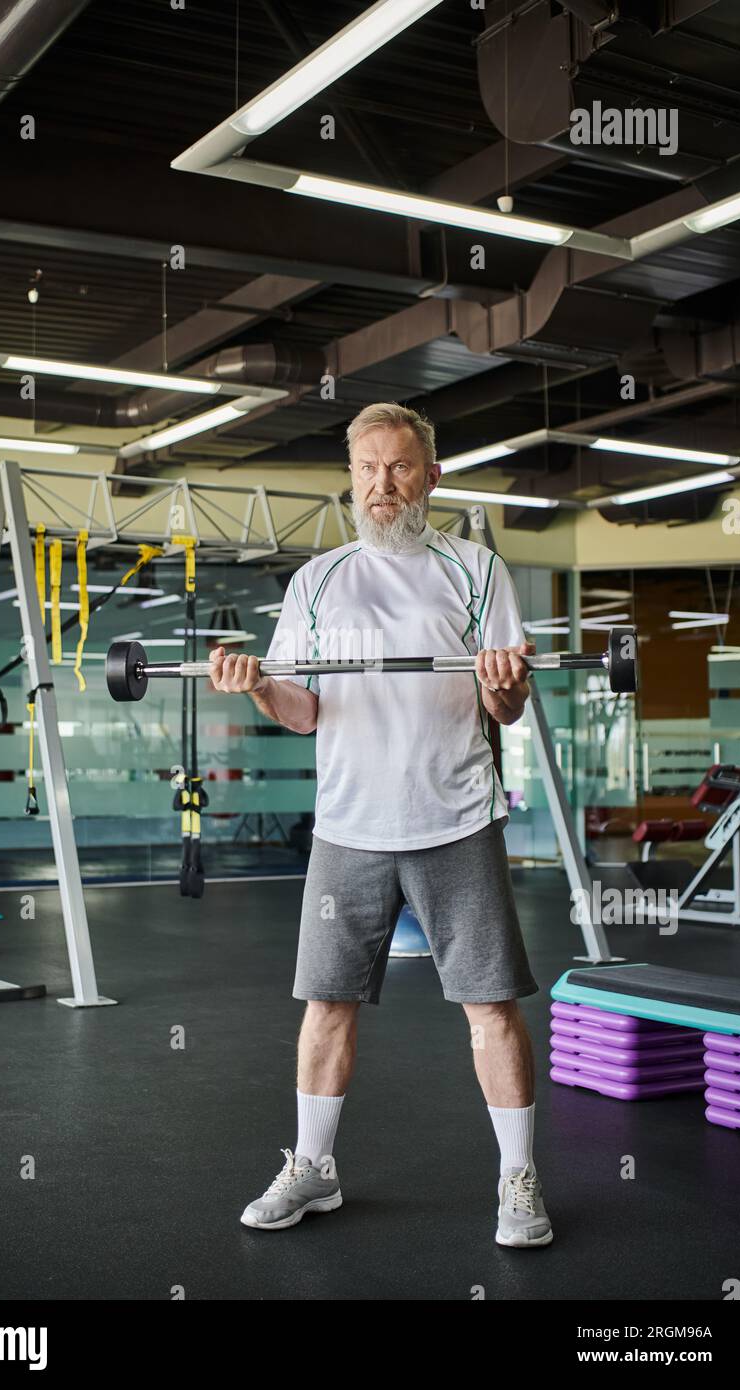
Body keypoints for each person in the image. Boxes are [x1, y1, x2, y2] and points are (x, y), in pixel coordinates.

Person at [209, 402, 552, 1248]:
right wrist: (257, 684)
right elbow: (300, 708)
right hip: (348, 829)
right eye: (366, 470)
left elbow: (504, 705)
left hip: (457, 821)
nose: (381, 486)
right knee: (325, 1007)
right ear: (351, 480)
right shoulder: (317, 581)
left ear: (430, 476)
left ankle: (519, 1180)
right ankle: (314, 1169)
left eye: (397, 468)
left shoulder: (475, 571)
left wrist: (504, 681)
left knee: (491, 1009)